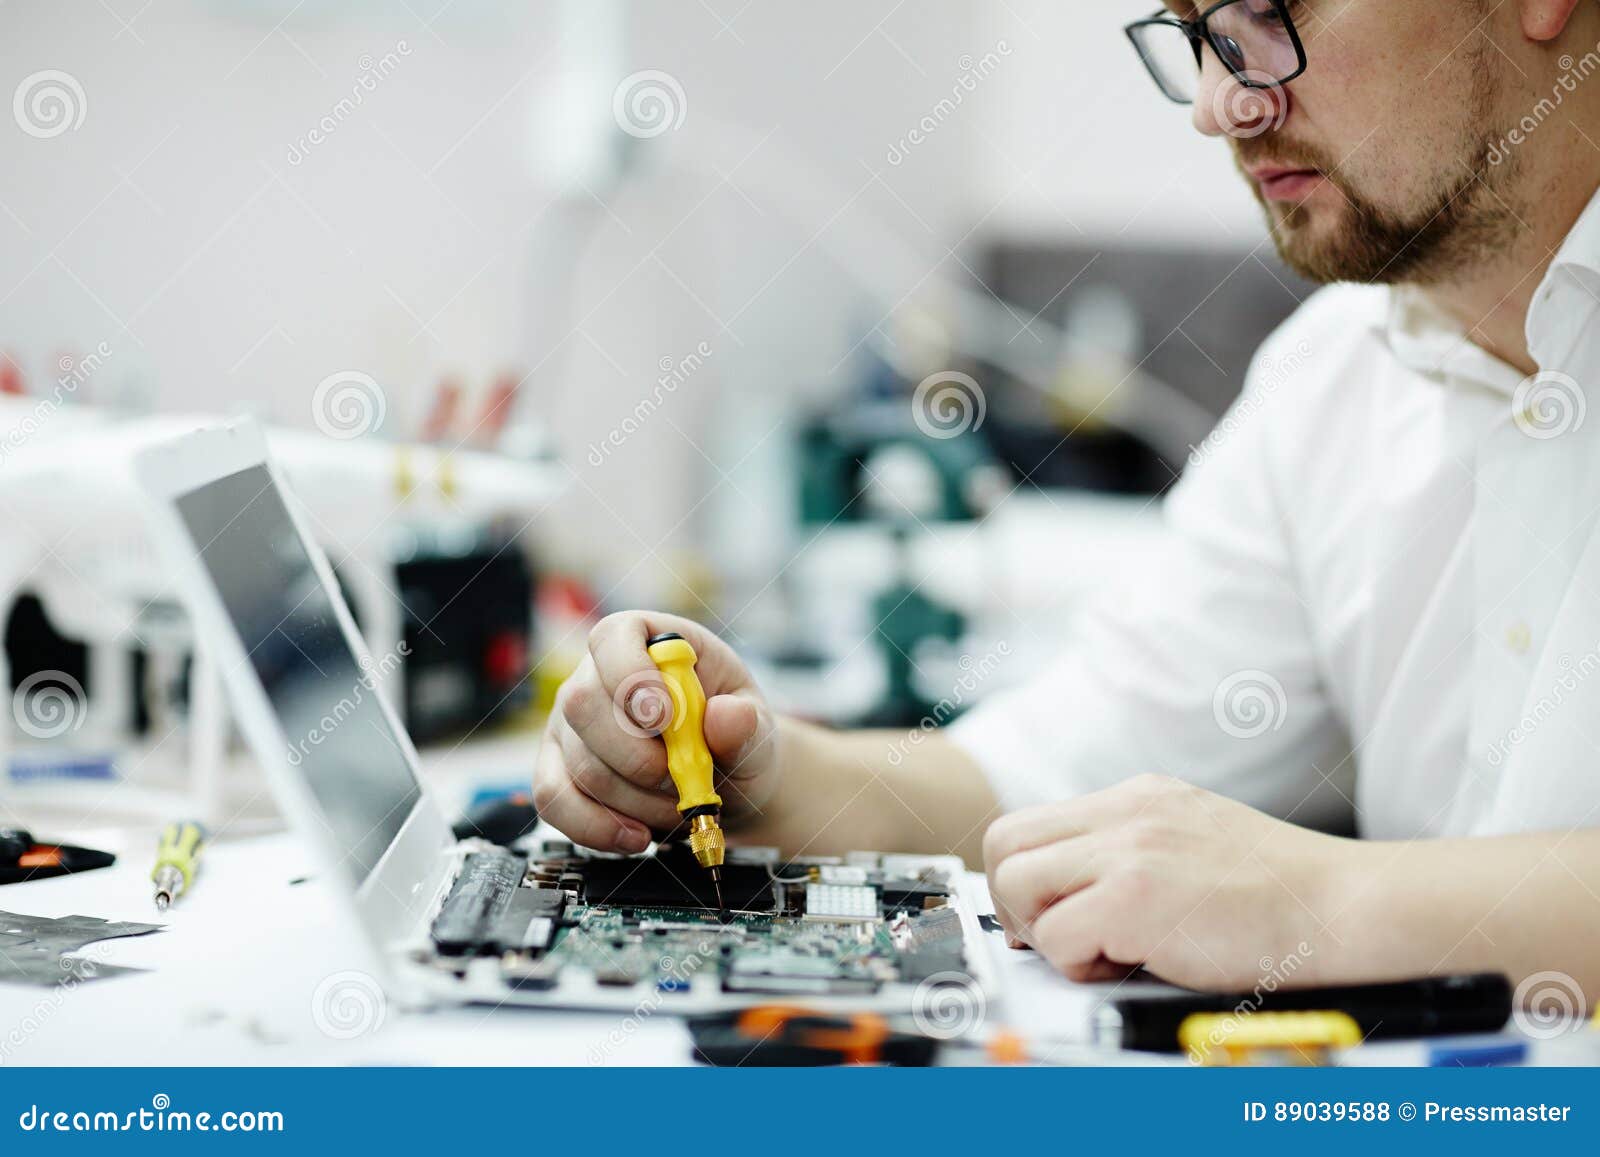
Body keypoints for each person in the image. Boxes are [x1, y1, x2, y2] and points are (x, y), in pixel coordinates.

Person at [535, 0, 1600, 1003]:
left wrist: (1323, 904)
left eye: (1268, 14)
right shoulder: (1340, 376)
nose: (1216, 103)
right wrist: (753, 771)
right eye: (1193, 34)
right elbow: (1045, 777)